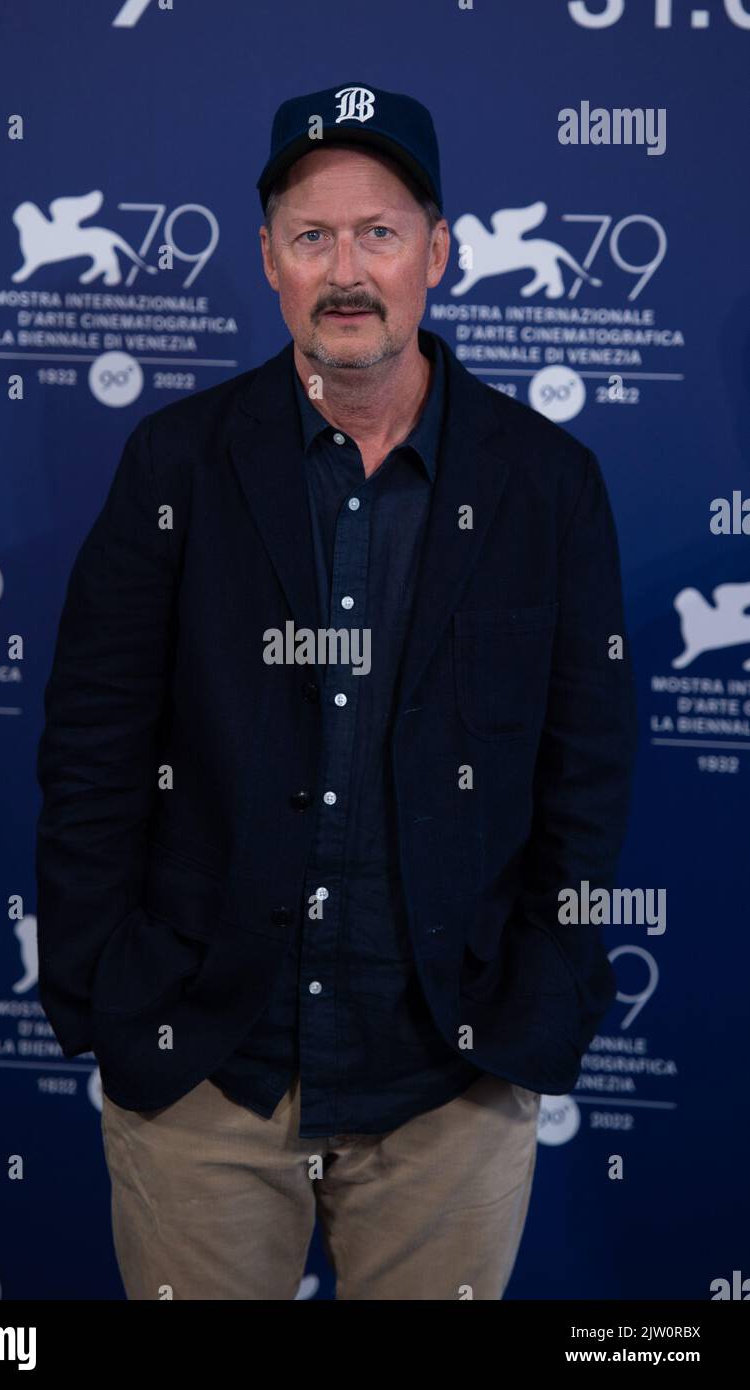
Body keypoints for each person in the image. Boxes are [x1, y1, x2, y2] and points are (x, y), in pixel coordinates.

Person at [35, 82, 637, 1300]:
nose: (346, 270)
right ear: (266, 260)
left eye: (380, 232)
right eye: (312, 236)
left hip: (447, 1083)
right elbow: (93, 750)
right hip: (204, 1070)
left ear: (439, 250)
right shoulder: (175, 464)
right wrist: (105, 991)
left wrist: (542, 993)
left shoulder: (548, 483)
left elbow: (587, 770)